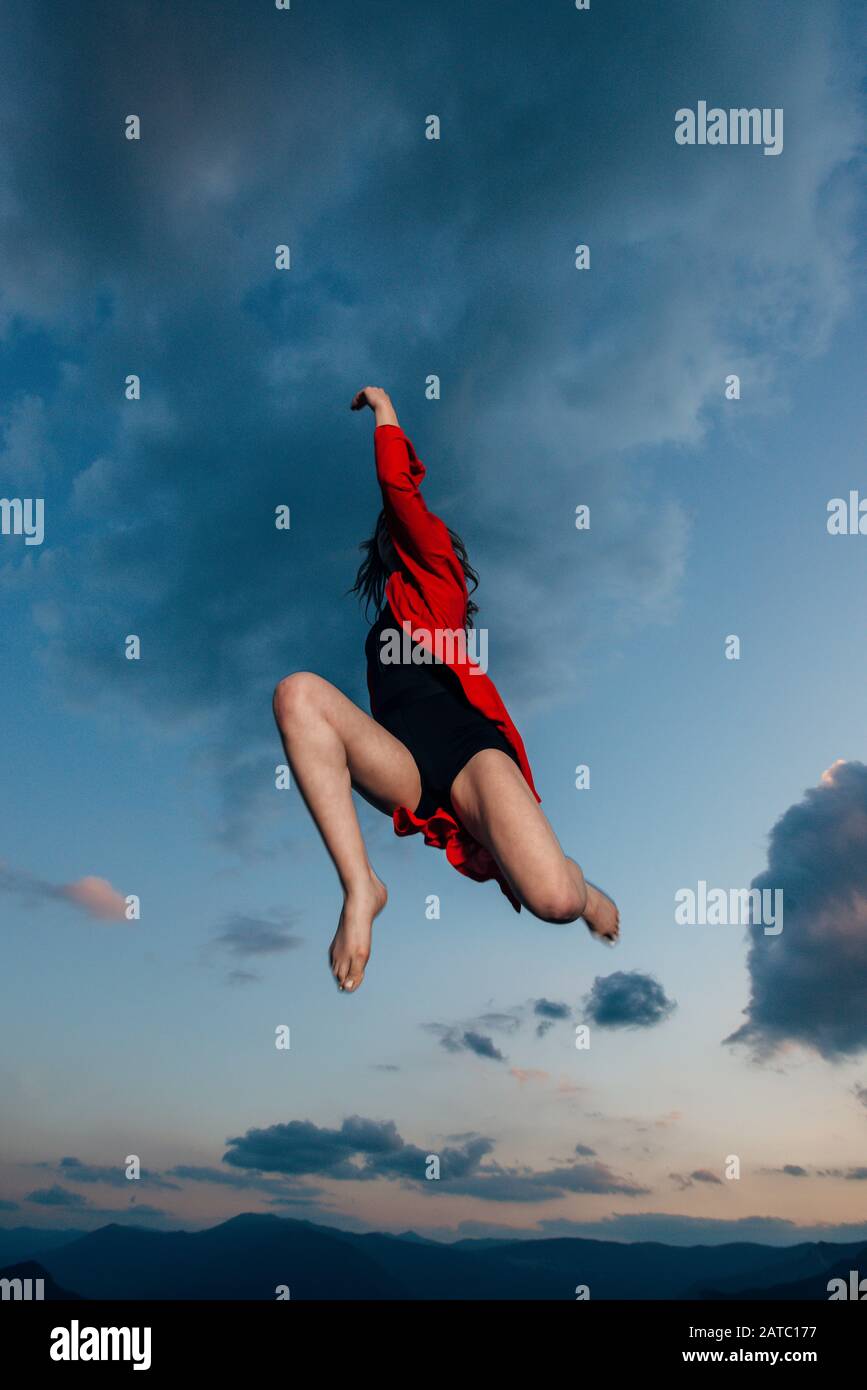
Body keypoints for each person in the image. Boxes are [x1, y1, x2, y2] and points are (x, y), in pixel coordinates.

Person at [273, 387, 619, 992]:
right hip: (406, 762)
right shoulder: (390, 616)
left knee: (554, 900)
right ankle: (363, 887)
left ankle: (585, 891)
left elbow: (399, 490)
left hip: (468, 751)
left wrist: (384, 411)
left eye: (399, 522)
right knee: (298, 694)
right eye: (387, 530)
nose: (393, 527)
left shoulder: (438, 577)